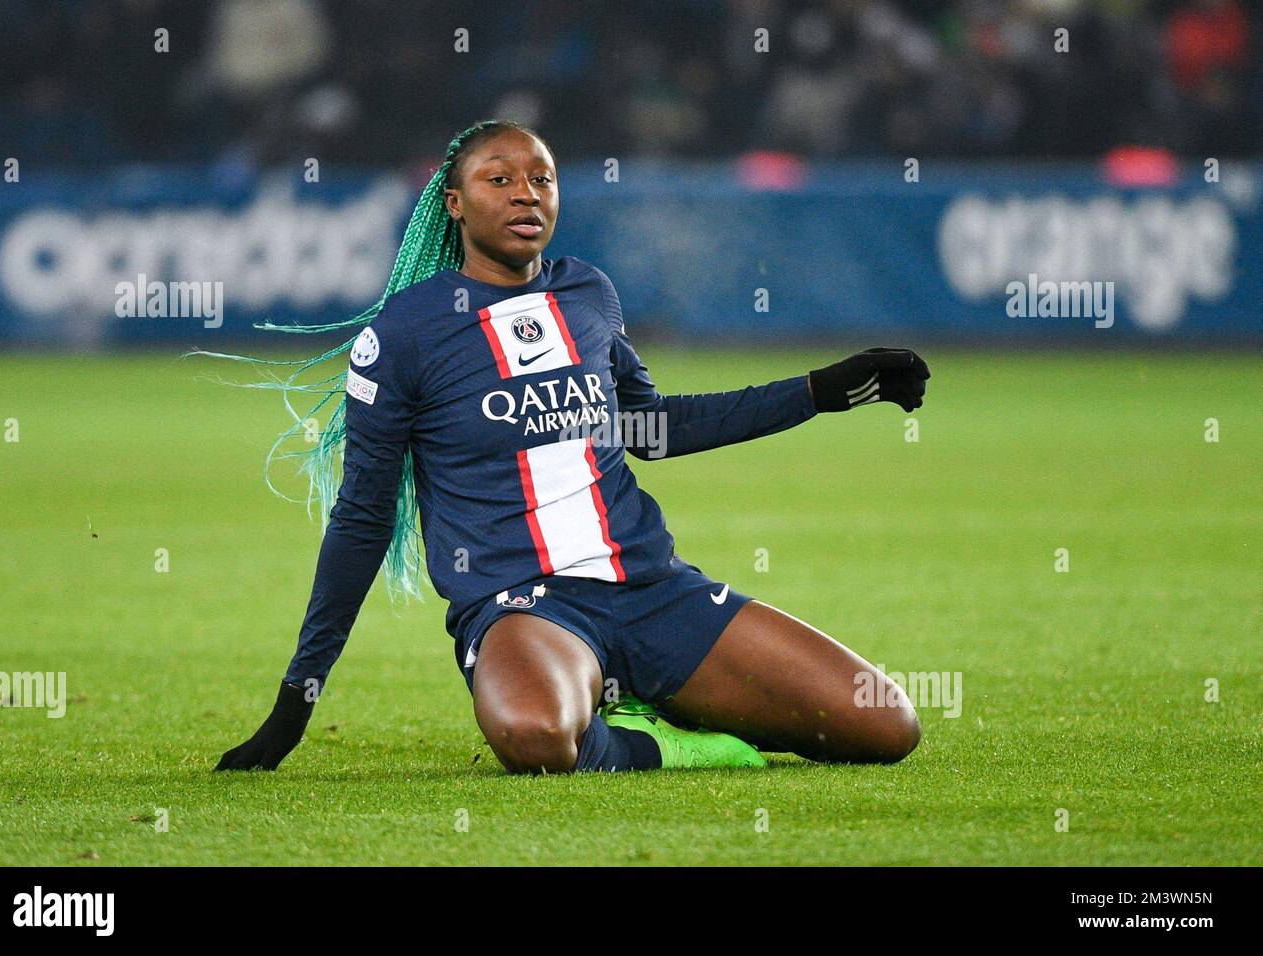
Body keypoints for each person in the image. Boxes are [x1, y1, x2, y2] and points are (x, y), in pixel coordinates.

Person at [213, 119, 929, 775]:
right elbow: (363, 518)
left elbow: (653, 429)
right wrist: (295, 702)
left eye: (542, 179)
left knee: (886, 724)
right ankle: (657, 744)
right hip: (522, 607)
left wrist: (821, 390)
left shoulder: (588, 294)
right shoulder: (403, 334)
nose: (526, 194)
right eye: (500, 180)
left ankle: (652, 697)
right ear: (454, 204)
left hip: (650, 589)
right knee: (536, 738)